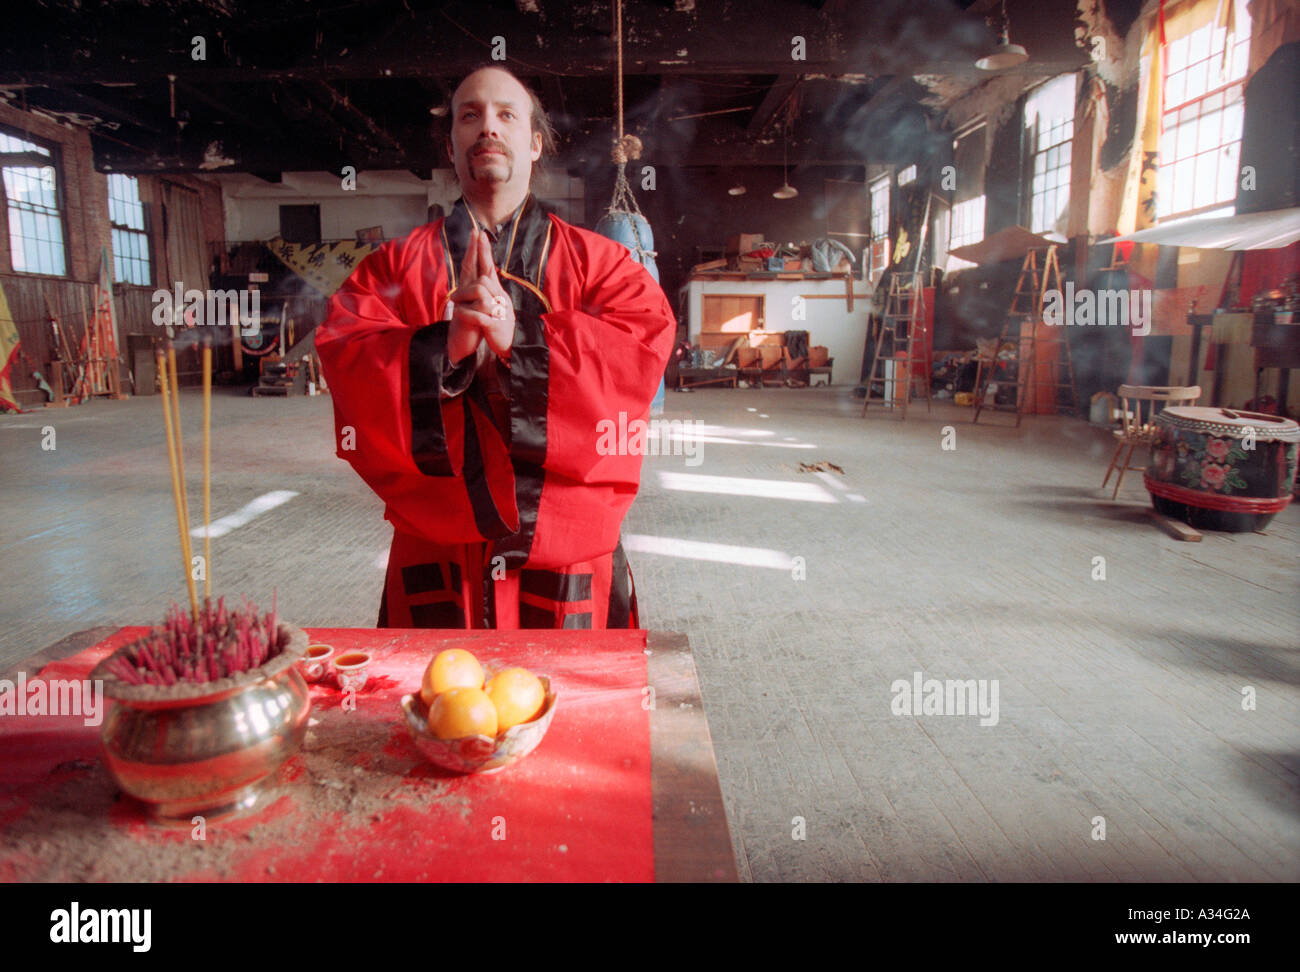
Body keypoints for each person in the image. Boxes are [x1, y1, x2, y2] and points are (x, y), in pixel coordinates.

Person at [316, 65, 675, 630]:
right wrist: (443, 348)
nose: (488, 127)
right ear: (452, 143)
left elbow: (643, 344)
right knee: (441, 706)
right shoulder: (393, 267)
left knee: (570, 711)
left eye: (506, 114)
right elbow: (346, 347)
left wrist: (523, 341)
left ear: (534, 143)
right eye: (470, 115)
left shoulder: (600, 263)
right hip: (439, 544)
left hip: (564, 544)